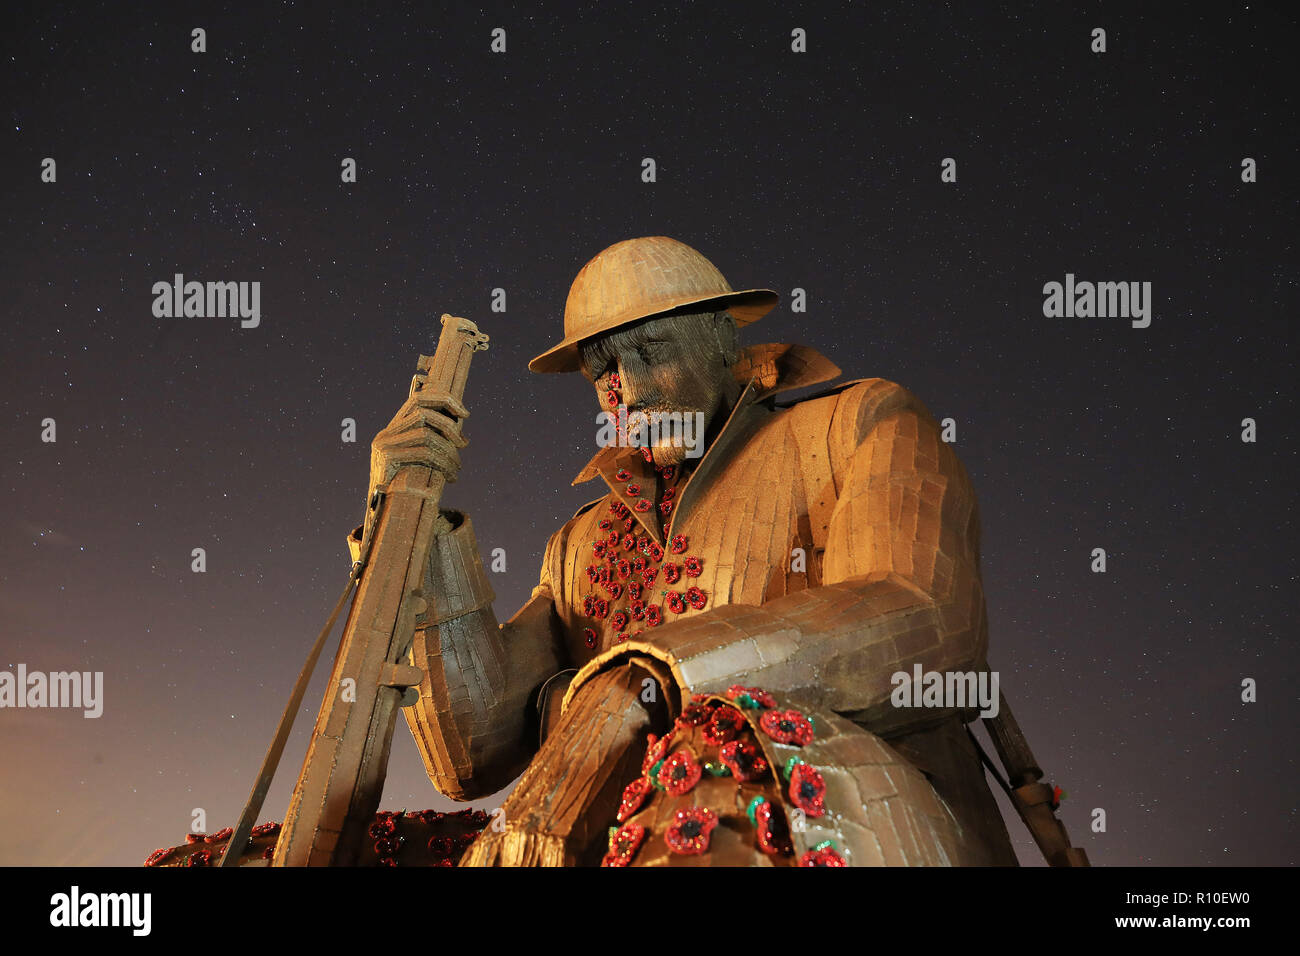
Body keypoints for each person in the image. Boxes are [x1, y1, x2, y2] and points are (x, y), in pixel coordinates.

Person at [365, 236, 1019, 866]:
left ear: (722, 342)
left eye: (652, 351)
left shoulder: (855, 426)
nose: (631, 388)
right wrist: (411, 527)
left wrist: (646, 682)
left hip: (863, 819)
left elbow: (928, 615)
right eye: (604, 370)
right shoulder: (581, 539)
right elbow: (472, 757)